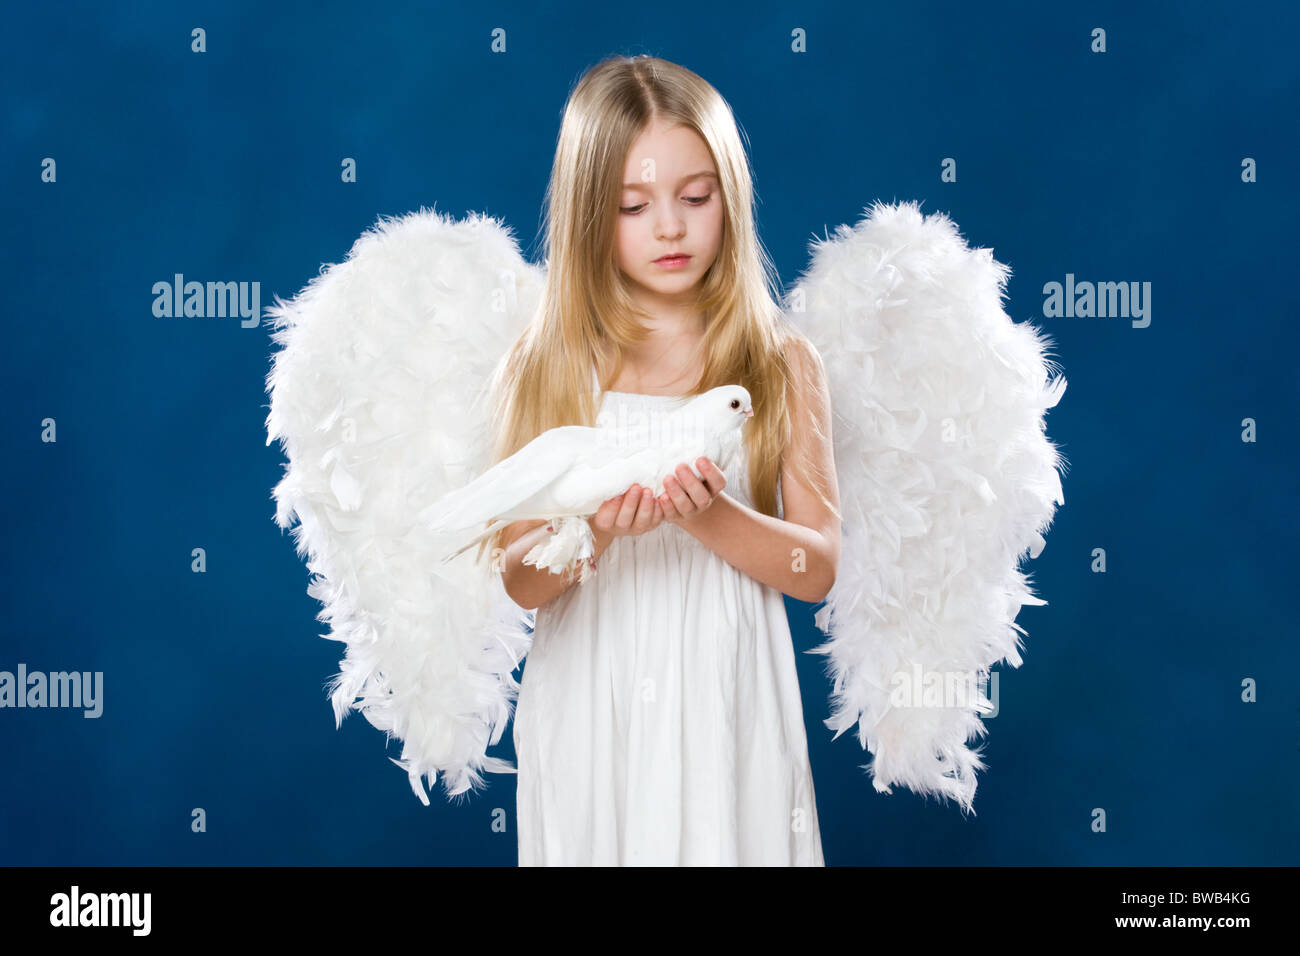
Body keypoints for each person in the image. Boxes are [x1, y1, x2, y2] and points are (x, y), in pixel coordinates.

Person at [485, 54, 842, 866]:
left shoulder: (779, 363)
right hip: (593, 700)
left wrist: (707, 515)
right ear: (586, 214)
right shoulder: (546, 366)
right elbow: (518, 579)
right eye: (633, 206)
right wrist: (596, 533)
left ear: (731, 198)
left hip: (727, 702)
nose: (671, 228)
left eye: (695, 197)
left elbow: (815, 568)